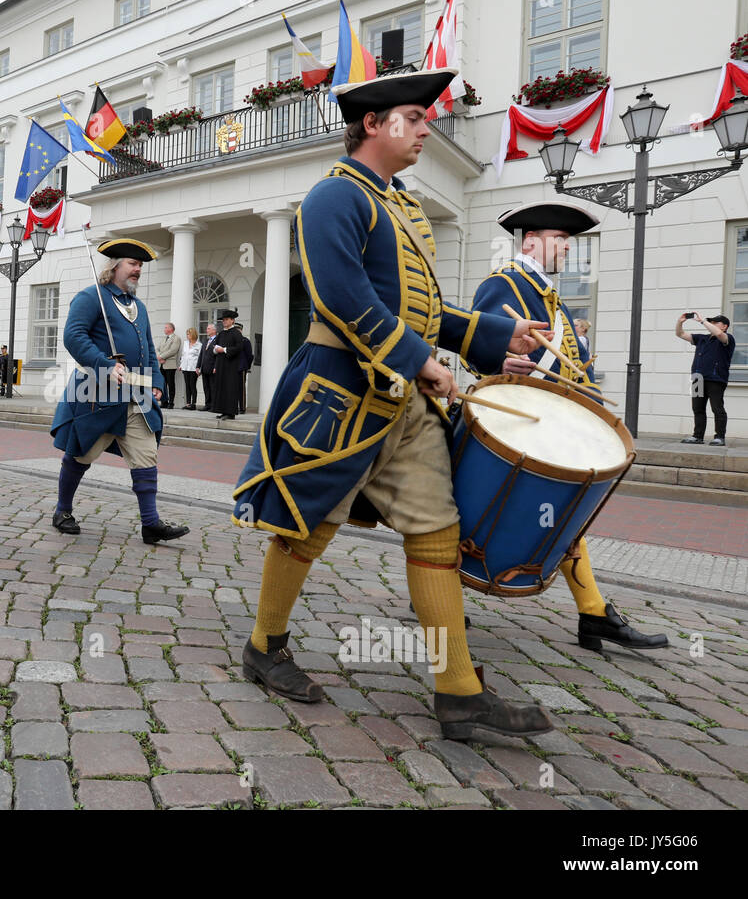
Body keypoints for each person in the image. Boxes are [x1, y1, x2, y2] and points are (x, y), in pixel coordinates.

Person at [231, 68, 555, 740]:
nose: (427, 127)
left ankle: (459, 692)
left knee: (435, 531)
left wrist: (493, 335)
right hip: (339, 394)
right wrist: (421, 362)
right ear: (373, 124)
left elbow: (422, 309)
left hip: (403, 405)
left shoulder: (400, 204)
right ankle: (265, 647)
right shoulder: (334, 196)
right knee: (306, 525)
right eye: (414, 115)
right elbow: (341, 298)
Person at [470, 200, 668, 652]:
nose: (565, 251)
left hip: (553, 422)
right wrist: (500, 358)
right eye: (560, 242)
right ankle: (593, 613)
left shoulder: (547, 297)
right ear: (533, 241)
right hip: (519, 422)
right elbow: (476, 343)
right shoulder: (504, 284)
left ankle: (593, 612)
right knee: (496, 514)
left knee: (564, 516)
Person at [49, 239, 191, 544]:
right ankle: (62, 510)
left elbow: (149, 350)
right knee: (81, 454)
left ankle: (151, 524)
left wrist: (156, 382)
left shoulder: (137, 306)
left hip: (136, 397)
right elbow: (73, 337)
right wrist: (103, 364)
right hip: (97, 393)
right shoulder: (91, 297)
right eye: (132, 264)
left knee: (146, 455)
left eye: (140, 266)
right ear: (114, 267)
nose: (138, 270)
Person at [677, 312, 736, 446]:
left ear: (724, 326)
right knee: (697, 408)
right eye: (712, 322)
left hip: (715, 378)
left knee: (717, 408)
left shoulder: (728, 338)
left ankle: (719, 437)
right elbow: (680, 334)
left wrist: (702, 321)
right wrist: (680, 322)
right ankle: (698, 436)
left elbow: (720, 335)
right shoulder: (702, 338)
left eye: (716, 322)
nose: (713, 324)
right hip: (697, 378)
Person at [210, 310, 244, 420]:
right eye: (223, 320)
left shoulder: (236, 333)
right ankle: (223, 410)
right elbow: (215, 346)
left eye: (226, 320)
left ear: (232, 320)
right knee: (221, 387)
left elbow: (239, 348)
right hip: (220, 365)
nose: (224, 322)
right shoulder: (221, 333)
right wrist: (215, 349)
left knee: (230, 388)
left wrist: (224, 350)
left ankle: (230, 412)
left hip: (231, 366)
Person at [156, 322, 181, 409]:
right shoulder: (164, 339)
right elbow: (158, 349)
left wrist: (162, 356)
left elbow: (173, 350)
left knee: (171, 384)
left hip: (170, 364)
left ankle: (171, 402)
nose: (164, 329)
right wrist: (159, 357)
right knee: (163, 384)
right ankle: (164, 401)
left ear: (171, 329)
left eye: (166, 327)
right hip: (162, 365)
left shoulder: (176, 338)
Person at [180, 327, 202, 410]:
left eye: (188, 334)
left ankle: (194, 404)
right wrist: (181, 365)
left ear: (193, 335)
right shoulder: (185, 343)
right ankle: (188, 403)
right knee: (187, 385)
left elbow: (200, 358)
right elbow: (183, 355)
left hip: (193, 368)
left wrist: (199, 368)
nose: (187, 336)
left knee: (192, 385)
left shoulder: (199, 345)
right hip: (185, 367)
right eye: (187, 334)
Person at [199, 322, 218, 412]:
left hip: (212, 368)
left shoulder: (217, 340)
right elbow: (201, 354)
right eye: (207, 329)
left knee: (213, 387)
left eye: (208, 329)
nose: (207, 330)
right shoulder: (205, 341)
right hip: (204, 368)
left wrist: (216, 366)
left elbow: (218, 356)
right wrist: (198, 366)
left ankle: (214, 405)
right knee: (206, 387)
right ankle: (208, 404)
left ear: (214, 330)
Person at [236, 325, 254, 414]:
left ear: (241, 331)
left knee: (241, 388)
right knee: (232, 388)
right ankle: (233, 407)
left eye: (238, 330)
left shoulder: (245, 341)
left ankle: (242, 408)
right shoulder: (232, 341)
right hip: (232, 368)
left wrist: (247, 367)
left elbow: (249, 355)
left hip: (241, 367)